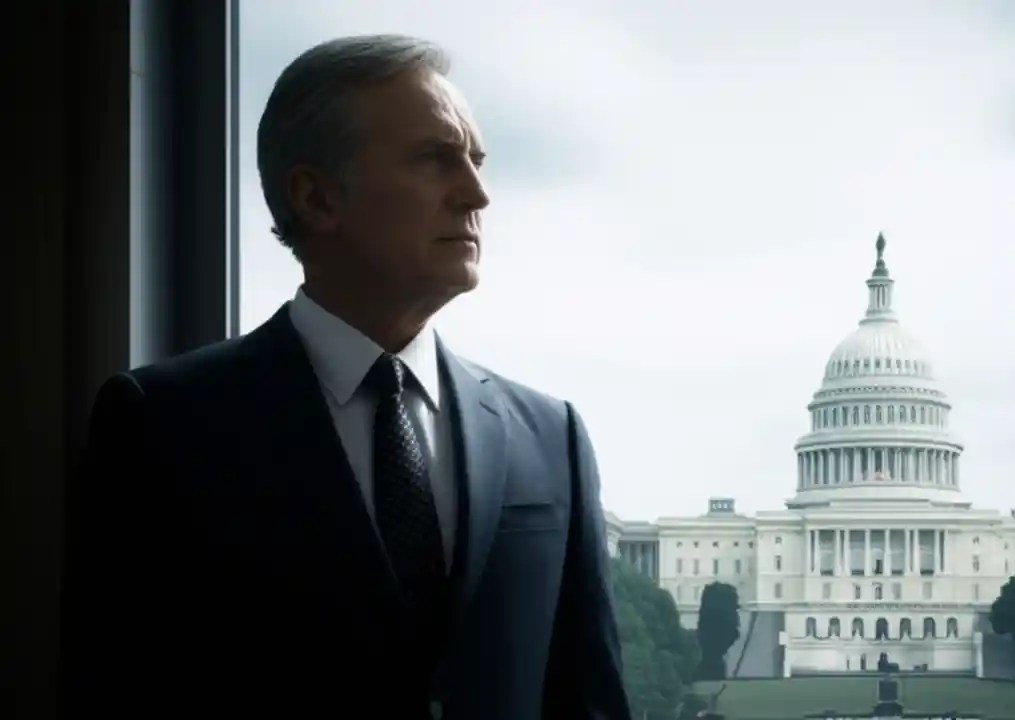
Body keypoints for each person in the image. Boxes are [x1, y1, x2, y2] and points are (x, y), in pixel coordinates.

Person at [57, 34, 630, 719]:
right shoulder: (162, 424)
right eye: (434, 159)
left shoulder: (551, 436)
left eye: (475, 162)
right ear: (317, 198)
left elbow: (588, 698)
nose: (476, 194)